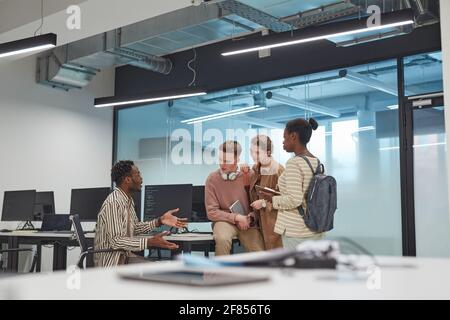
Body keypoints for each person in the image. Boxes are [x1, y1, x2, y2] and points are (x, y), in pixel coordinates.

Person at [94, 160, 187, 267]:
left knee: (160, 267)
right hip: (112, 263)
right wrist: (149, 242)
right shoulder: (114, 202)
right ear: (127, 179)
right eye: (138, 174)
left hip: (124, 257)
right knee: (158, 270)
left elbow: (135, 228)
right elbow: (116, 241)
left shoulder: (127, 200)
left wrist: (159, 221)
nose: (141, 178)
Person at [259, 118, 325, 249]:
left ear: (293, 136)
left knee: (296, 269)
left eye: (285, 137)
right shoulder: (316, 162)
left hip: (297, 232)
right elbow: (306, 194)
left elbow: (295, 200)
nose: (283, 142)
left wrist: (272, 198)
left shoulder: (294, 163)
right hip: (316, 227)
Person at [205, 140, 265, 256]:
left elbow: (257, 205)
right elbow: (211, 212)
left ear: (237, 160)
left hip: (247, 222)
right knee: (222, 239)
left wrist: (251, 217)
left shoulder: (249, 175)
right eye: (220, 160)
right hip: (224, 221)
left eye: (227, 161)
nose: (222, 164)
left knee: (259, 252)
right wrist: (236, 217)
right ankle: (219, 273)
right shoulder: (212, 179)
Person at [248, 135, 285, 250]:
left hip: (274, 225)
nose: (253, 155)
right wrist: (254, 213)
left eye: (257, 152)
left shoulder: (278, 170)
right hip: (259, 224)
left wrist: (264, 203)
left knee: (276, 262)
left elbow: (286, 201)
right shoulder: (255, 170)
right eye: (252, 152)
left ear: (268, 152)